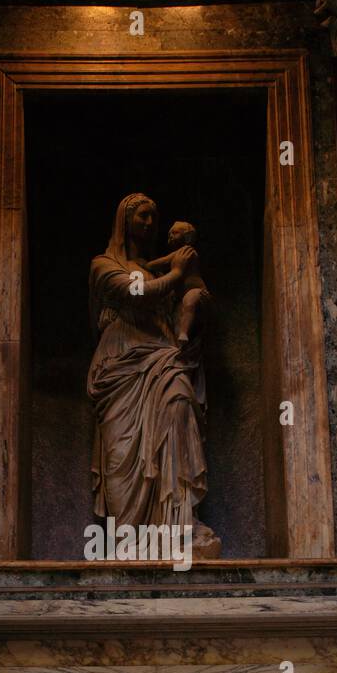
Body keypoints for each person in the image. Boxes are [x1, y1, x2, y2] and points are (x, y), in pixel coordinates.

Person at [87, 192, 221, 558]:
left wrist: (194, 293)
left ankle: (180, 522)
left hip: (163, 355)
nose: (149, 223)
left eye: (152, 218)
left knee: (180, 404)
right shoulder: (103, 265)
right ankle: (127, 538)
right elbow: (135, 293)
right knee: (121, 452)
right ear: (124, 219)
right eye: (142, 216)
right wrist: (177, 272)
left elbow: (192, 311)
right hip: (121, 363)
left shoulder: (156, 268)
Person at [144, 220, 209, 345]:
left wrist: (147, 265)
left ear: (187, 237)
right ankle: (180, 337)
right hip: (180, 296)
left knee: (189, 303)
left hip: (196, 290)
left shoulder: (186, 251)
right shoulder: (178, 254)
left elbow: (163, 261)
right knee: (180, 311)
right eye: (169, 234)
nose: (171, 236)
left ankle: (184, 332)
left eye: (175, 233)